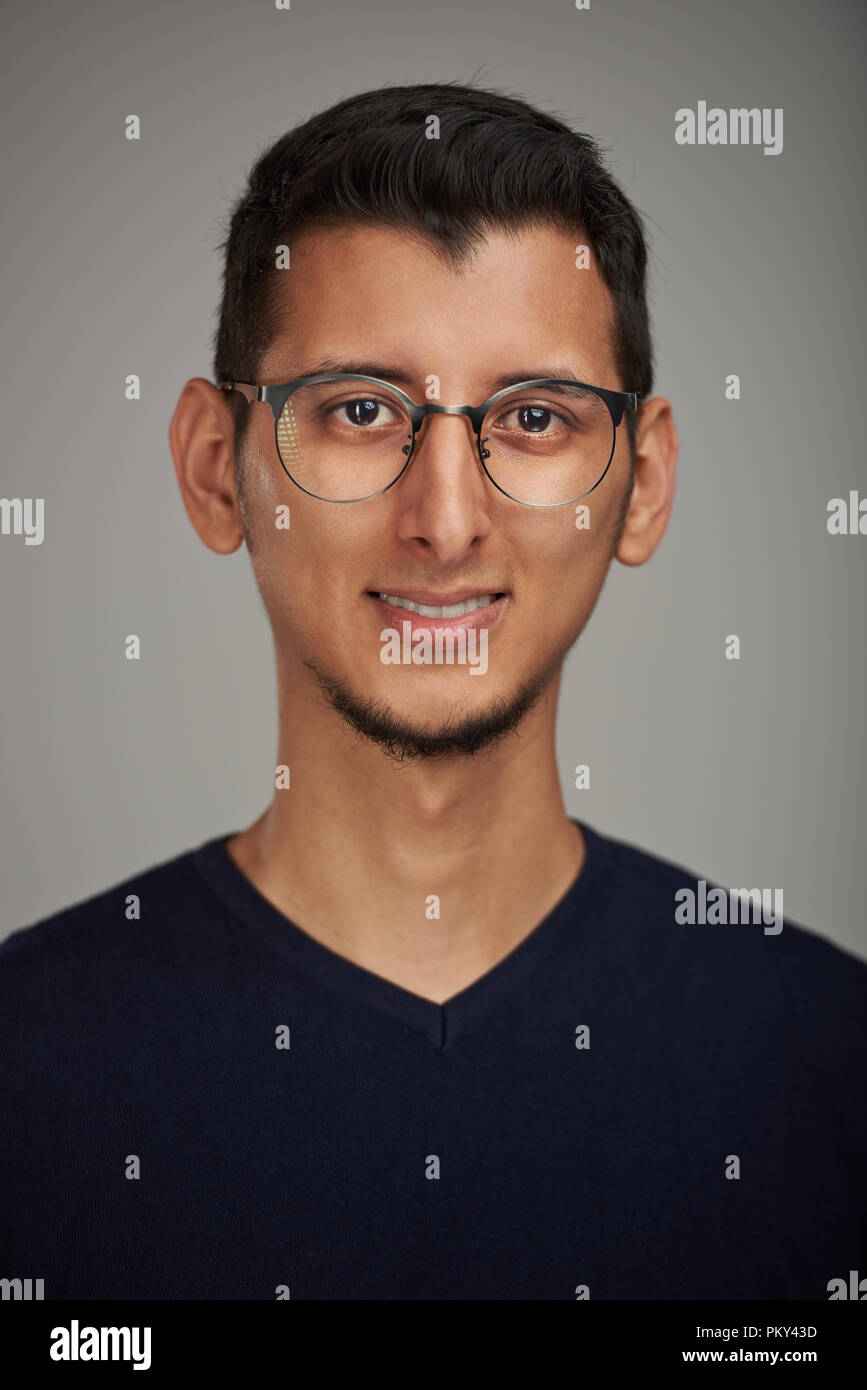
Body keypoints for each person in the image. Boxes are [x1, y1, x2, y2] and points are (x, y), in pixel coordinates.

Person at [2, 81, 864, 1302]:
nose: (446, 520)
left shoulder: (830, 1066)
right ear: (216, 468)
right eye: (361, 410)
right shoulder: (24, 1073)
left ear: (645, 483)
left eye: (534, 416)